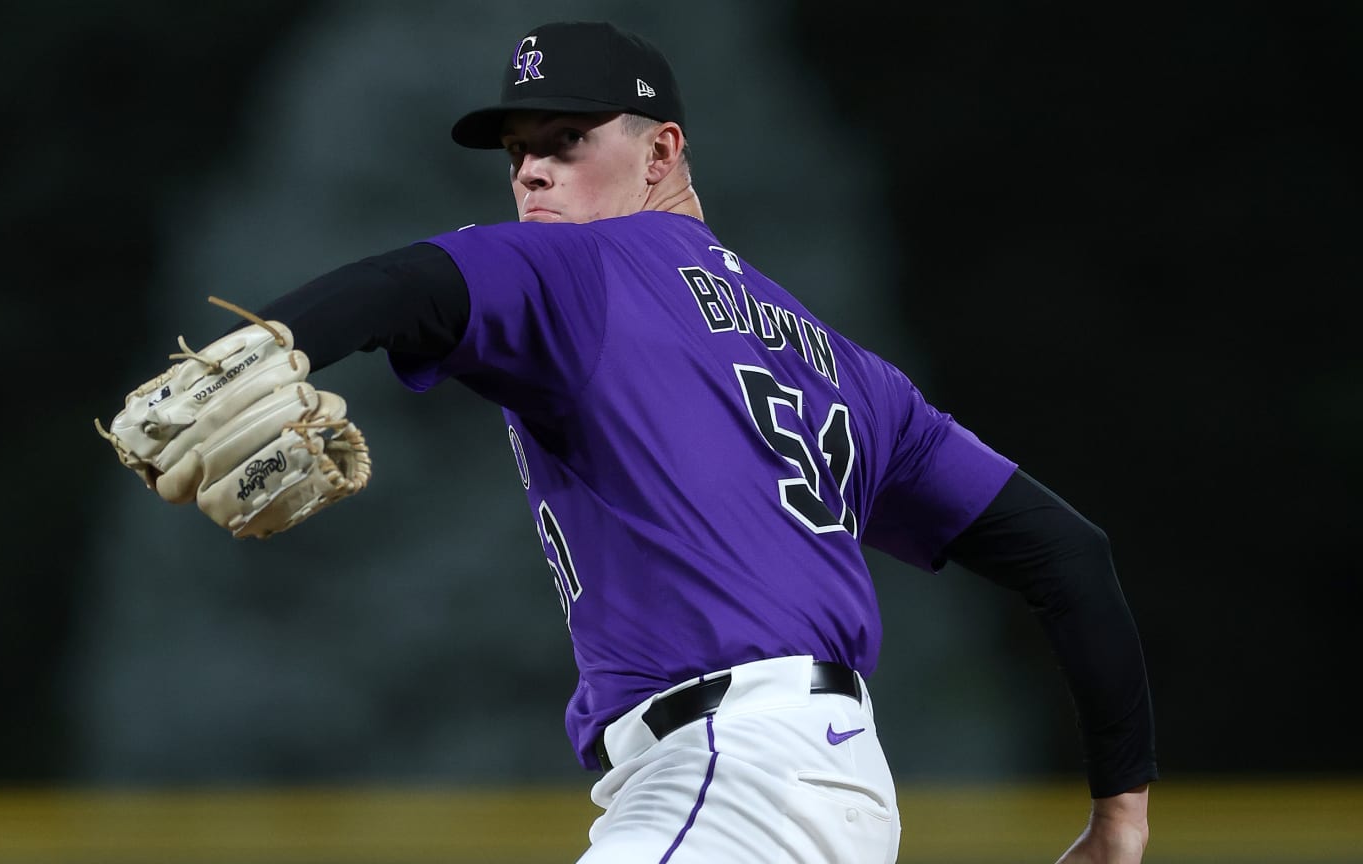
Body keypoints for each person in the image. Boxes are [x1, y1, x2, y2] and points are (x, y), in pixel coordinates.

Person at [148, 20, 1157, 863]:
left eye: (568, 138)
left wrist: (274, 344)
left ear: (662, 152)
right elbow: (1070, 554)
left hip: (732, 777)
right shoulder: (850, 372)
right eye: (517, 153)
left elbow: (412, 286)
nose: (534, 169)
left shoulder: (587, 271)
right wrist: (1121, 816)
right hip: (832, 790)